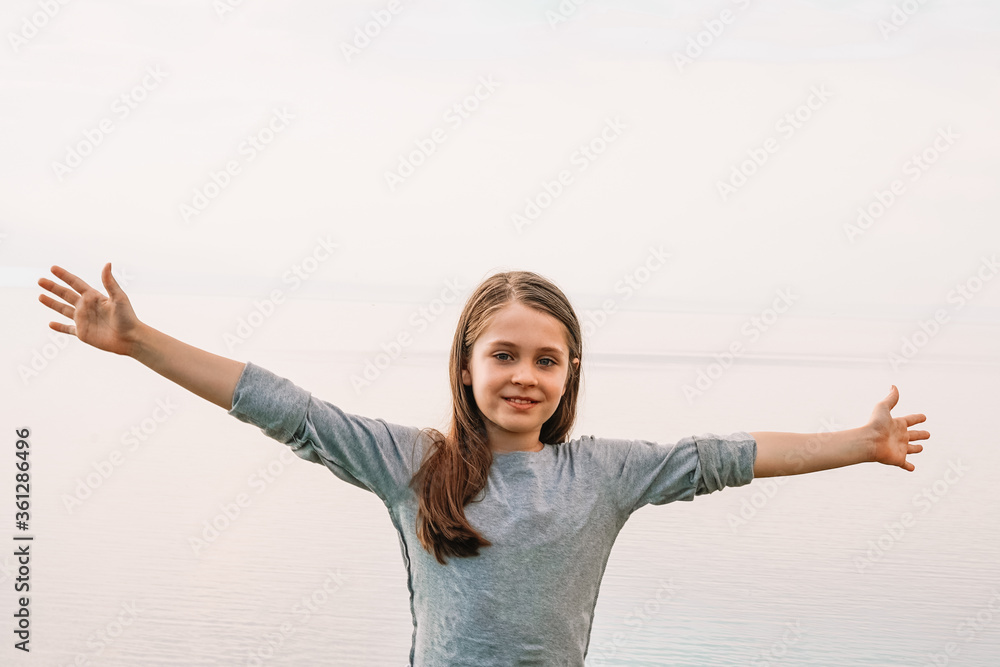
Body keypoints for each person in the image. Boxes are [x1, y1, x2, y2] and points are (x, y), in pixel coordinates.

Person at [37, 262, 930, 666]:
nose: (524, 376)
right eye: (504, 354)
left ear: (570, 372)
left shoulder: (605, 474)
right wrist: (140, 341)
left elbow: (727, 456)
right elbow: (285, 406)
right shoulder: (408, 463)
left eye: (546, 360)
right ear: (467, 363)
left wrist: (858, 442)